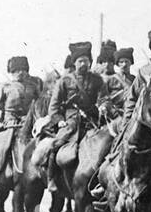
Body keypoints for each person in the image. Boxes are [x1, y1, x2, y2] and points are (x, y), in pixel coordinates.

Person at [37, 41, 105, 190]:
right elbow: (53, 106)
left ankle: (101, 182)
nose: (83, 64)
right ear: (74, 62)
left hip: (92, 121)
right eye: (80, 61)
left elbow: (103, 97)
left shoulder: (97, 80)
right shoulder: (65, 81)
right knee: (56, 144)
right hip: (71, 122)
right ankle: (51, 178)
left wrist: (104, 106)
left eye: (86, 61)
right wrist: (59, 121)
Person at [0, 56, 45, 180]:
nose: (20, 73)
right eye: (16, 70)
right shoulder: (4, 87)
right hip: (9, 126)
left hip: (30, 126)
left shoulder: (33, 87)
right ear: (11, 72)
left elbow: (40, 105)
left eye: (23, 70)